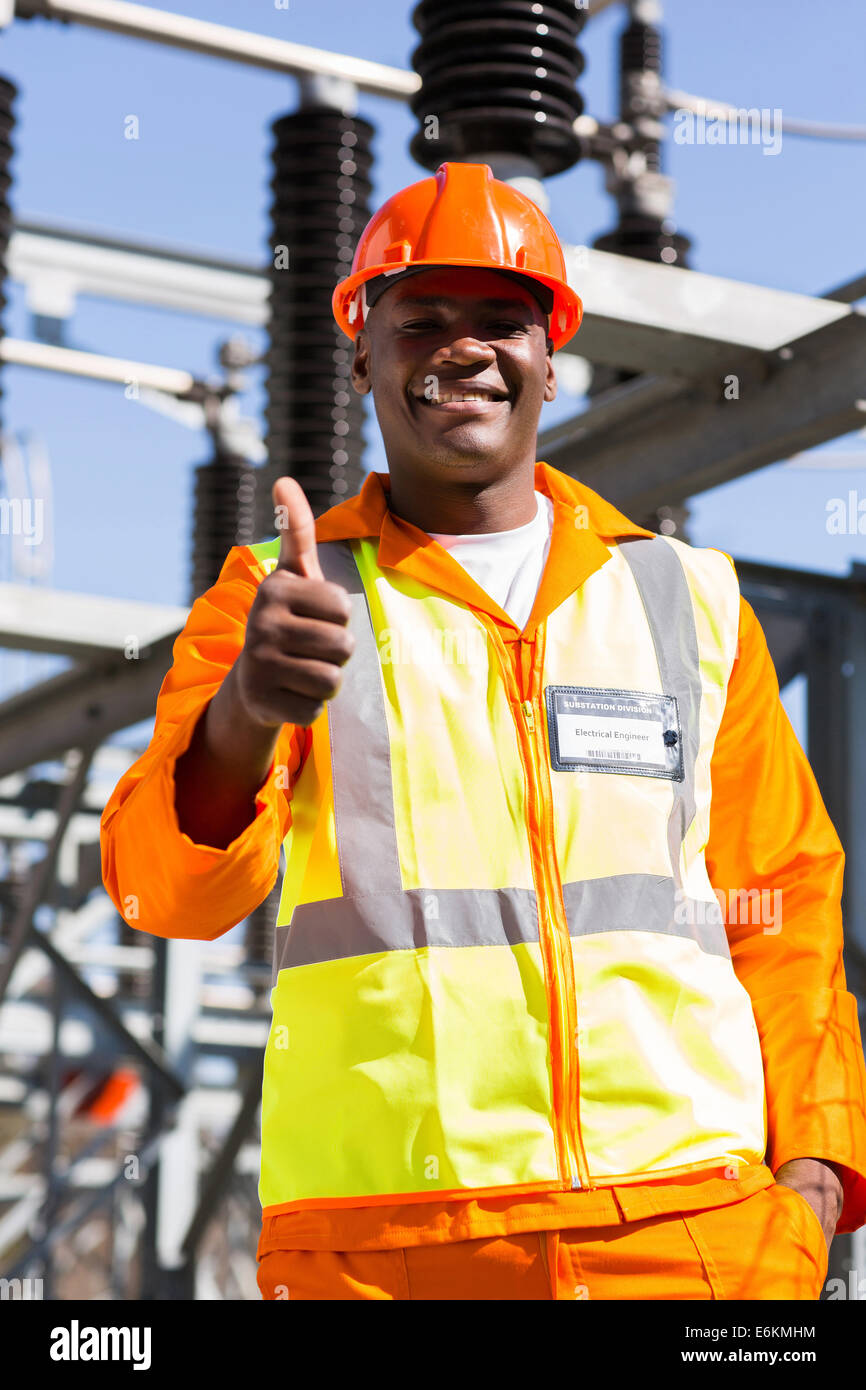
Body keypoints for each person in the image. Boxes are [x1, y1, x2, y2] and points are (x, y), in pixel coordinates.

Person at [101, 162, 866, 1301]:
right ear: (362, 352)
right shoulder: (275, 598)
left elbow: (784, 903)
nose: (463, 350)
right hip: (384, 1251)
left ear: (549, 358)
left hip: (684, 1235)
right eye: (423, 323)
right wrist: (243, 714)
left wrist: (811, 1171)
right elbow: (166, 895)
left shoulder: (684, 597)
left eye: (501, 322)